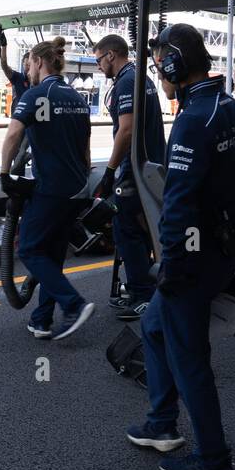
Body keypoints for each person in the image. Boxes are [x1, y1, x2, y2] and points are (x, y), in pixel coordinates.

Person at [127, 23, 235, 470]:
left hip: (193, 260)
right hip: (224, 247)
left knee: (189, 356)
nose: (160, 77)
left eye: (161, 67)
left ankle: (214, 460)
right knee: (152, 325)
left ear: (175, 65)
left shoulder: (193, 120)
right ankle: (162, 424)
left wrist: (172, 264)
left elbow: (178, 204)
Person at [0, 37, 96, 342]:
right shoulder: (78, 98)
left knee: (28, 247)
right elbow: (85, 148)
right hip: (77, 187)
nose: (26, 69)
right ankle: (41, 320)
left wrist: (4, 174)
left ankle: (73, 304)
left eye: (28, 63)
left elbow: (14, 132)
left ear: (38, 61)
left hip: (51, 187)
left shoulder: (37, 94)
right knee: (52, 254)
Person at [95, 33, 165, 321]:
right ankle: (149, 288)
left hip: (136, 169)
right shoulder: (140, 78)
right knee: (144, 231)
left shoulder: (126, 81)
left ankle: (142, 296)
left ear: (111, 55)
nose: (98, 66)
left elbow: (126, 130)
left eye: (99, 59)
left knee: (127, 233)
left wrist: (109, 173)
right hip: (149, 168)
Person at [0, 32, 30, 116]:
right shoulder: (18, 77)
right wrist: (4, 46)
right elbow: (4, 65)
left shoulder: (41, 80)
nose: (29, 67)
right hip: (19, 118)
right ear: (22, 64)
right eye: (27, 64)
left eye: (31, 65)